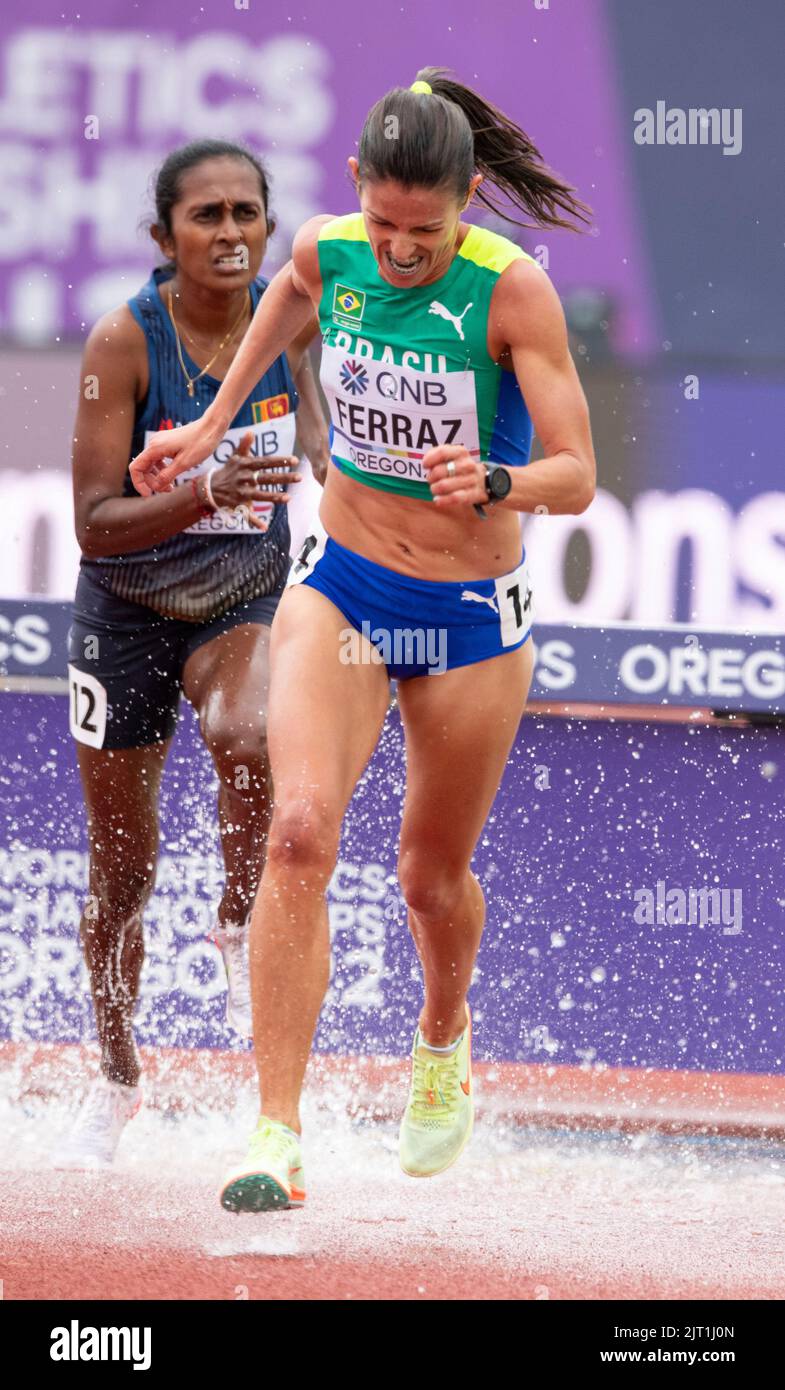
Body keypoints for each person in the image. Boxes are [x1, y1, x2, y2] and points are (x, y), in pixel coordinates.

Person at [130, 70, 596, 1211]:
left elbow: (576, 477)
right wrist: (206, 422)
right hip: (342, 586)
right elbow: (284, 302)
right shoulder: (329, 249)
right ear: (355, 193)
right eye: (381, 223)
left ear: (468, 200)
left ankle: (442, 1038)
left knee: (429, 879)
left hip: (468, 622)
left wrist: (494, 476)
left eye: (422, 232)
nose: (396, 249)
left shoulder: (510, 291)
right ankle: (274, 1136)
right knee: (296, 833)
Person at [60, 139, 330, 1168]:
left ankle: (233, 920)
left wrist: (311, 448)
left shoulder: (285, 309)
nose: (229, 234)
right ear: (164, 235)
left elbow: (304, 394)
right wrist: (200, 492)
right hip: (125, 608)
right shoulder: (122, 341)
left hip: (241, 593)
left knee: (250, 735)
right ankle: (119, 1077)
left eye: (246, 214)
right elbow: (92, 523)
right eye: (206, 216)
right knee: (120, 872)